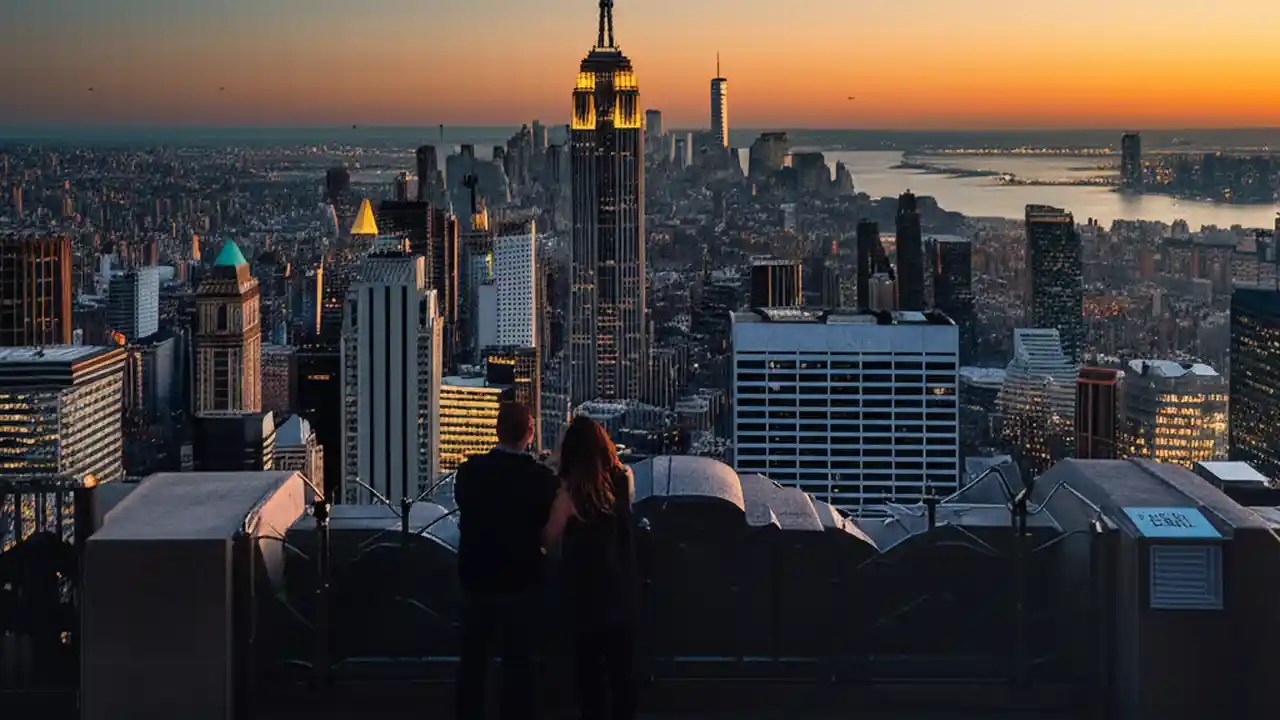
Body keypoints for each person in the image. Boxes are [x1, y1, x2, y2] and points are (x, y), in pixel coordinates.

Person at [454, 403, 559, 720]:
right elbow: (548, 527)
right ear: (530, 433)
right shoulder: (540, 480)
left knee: (473, 660)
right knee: (520, 664)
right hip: (521, 581)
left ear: (496, 431)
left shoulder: (470, 472)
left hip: (477, 577)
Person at [543, 416, 637, 720]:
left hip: (583, 599)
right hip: (619, 593)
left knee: (590, 681)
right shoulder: (623, 481)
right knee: (622, 679)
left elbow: (549, 538)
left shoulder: (569, 494)